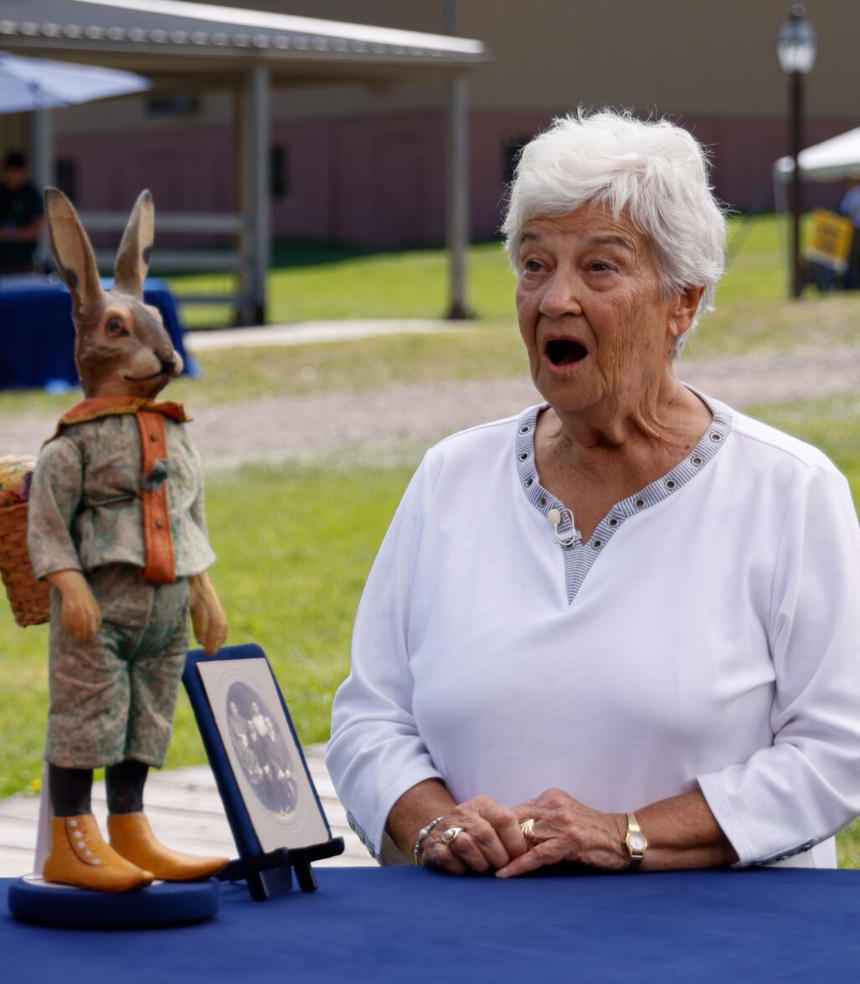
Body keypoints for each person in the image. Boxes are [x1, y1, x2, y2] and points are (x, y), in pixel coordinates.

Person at [326, 111, 860, 878]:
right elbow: (370, 718)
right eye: (535, 265)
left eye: (600, 268)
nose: (553, 300)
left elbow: (836, 754)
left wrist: (628, 834)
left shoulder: (788, 491)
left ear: (682, 301)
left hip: (718, 942)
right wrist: (434, 825)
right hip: (473, 932)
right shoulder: (451, 476)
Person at [0, 150, 44, 276]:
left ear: (24, 172)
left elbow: (36, 230)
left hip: (26, 261)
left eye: (17, 171)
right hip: (0, 261)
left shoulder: (32, 194)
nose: (13, 175)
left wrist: (7, 235)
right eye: (10, 171)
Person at [838, 177, 860, 291]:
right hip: (855, 229)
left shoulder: (853, 193)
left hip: (855, 231)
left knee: (853, 260)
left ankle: (852, 284)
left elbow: (844, 210)